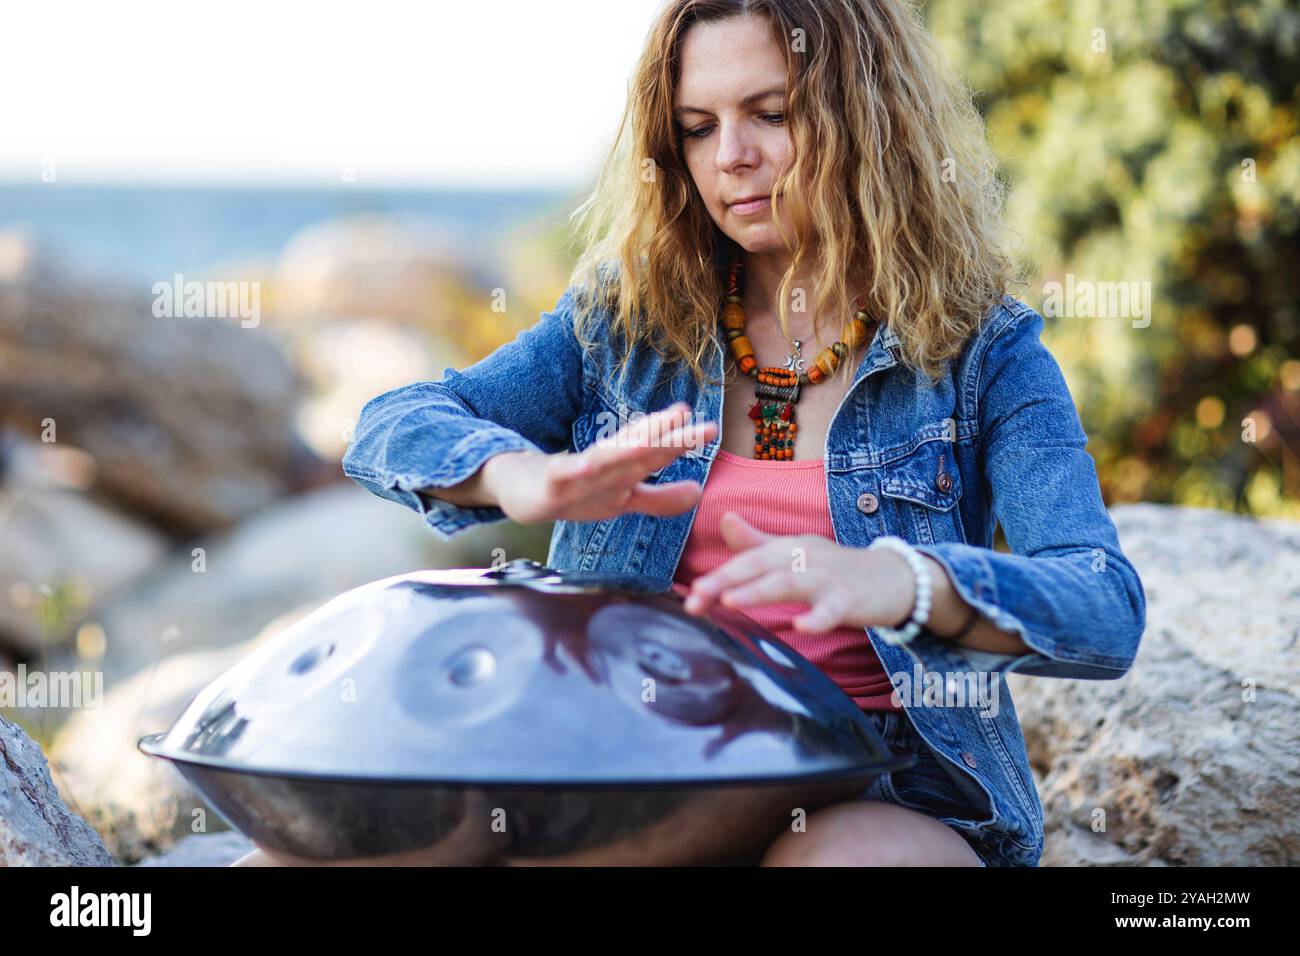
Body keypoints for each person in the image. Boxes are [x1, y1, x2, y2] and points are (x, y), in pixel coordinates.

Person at [332, 0, 1147, 868]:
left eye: (773, 113)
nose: (732, 159)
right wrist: (513, 476)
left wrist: (900, 581)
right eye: (697, 127)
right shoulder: (624, 323)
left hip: (878, 785)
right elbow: (391, 422)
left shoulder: (984, 352)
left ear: (867, 117)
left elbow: (1103, 607)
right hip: (633, 766)